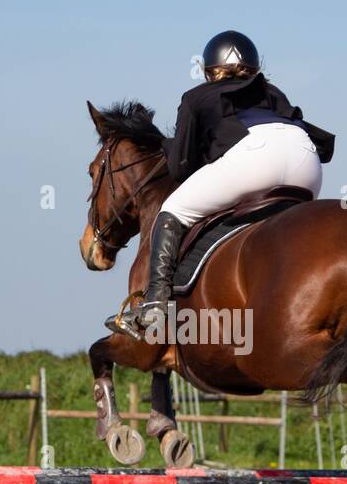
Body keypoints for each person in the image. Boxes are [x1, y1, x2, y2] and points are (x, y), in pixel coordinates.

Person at [120, 30, 335, 335]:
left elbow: (180, 167)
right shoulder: (273, 92)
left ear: (209, 71)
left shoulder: (196, 97)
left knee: (172, 211)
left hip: (256, 157)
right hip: (307, 161)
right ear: (254, 67)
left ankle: (155, 305)